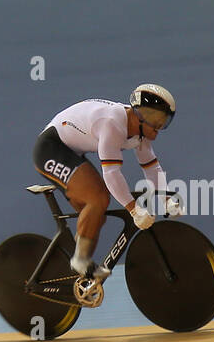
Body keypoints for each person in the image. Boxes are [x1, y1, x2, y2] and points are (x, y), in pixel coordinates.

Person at [32, 84, 182, 280]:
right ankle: (80, 261)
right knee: (98, 198)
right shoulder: (112, 123)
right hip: (51, 148)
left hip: (71, 150)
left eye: (163, 122)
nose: (158, 128)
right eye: (156, 121)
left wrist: (165, 199)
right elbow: (111, 173)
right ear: (139, 115)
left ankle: (77, 269)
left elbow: (151, 166)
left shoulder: (141, 130)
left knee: (96, 214)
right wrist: (134, 210)